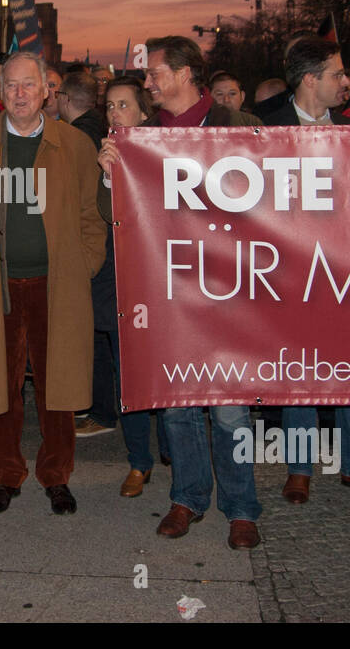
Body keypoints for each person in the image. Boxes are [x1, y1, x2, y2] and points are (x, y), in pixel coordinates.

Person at [99, 35, 262, 547]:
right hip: (169, 288)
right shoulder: (140, 136)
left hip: (230, 289)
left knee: (232, 407)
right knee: (176, 402)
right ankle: (188, 497)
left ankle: (240, 506)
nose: (148, 82)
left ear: (187, 73)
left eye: (157, 73)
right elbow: (114, 219)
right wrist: (111, 179)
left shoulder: (242, 129)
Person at [0, 52, 107, 516]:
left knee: (60, 389)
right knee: (1, 391)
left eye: (28, 85)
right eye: (10, 85)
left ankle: (57, 475)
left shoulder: (74, 145)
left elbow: (93, 216)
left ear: (46, 91)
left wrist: (84, 265)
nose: (18, 94)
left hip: (58, 286)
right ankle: (5, 474)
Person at [264, 37, 350, 505]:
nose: (346, 81)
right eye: (337, 74)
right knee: (300, 369)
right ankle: (299, 468)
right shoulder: (263, 131)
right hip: (292, 272)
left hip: (346, 268)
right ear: (310, 80)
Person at [78, 77, 170, 498]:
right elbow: (101, 215)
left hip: (163, 282)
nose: (115, 113)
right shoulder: (103, 156)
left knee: (167, 371)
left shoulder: (166, 151)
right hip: (118, 284)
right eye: (110, 105)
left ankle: (173, 449)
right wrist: (109, 175)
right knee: (128, 375)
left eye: (124, 105)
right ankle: (139, 461)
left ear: (144, 112)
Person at [56, 70, 105, 148]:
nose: (57, 99)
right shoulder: (101, 126)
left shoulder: (71, 137)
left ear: (64, 98)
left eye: (57, 94)